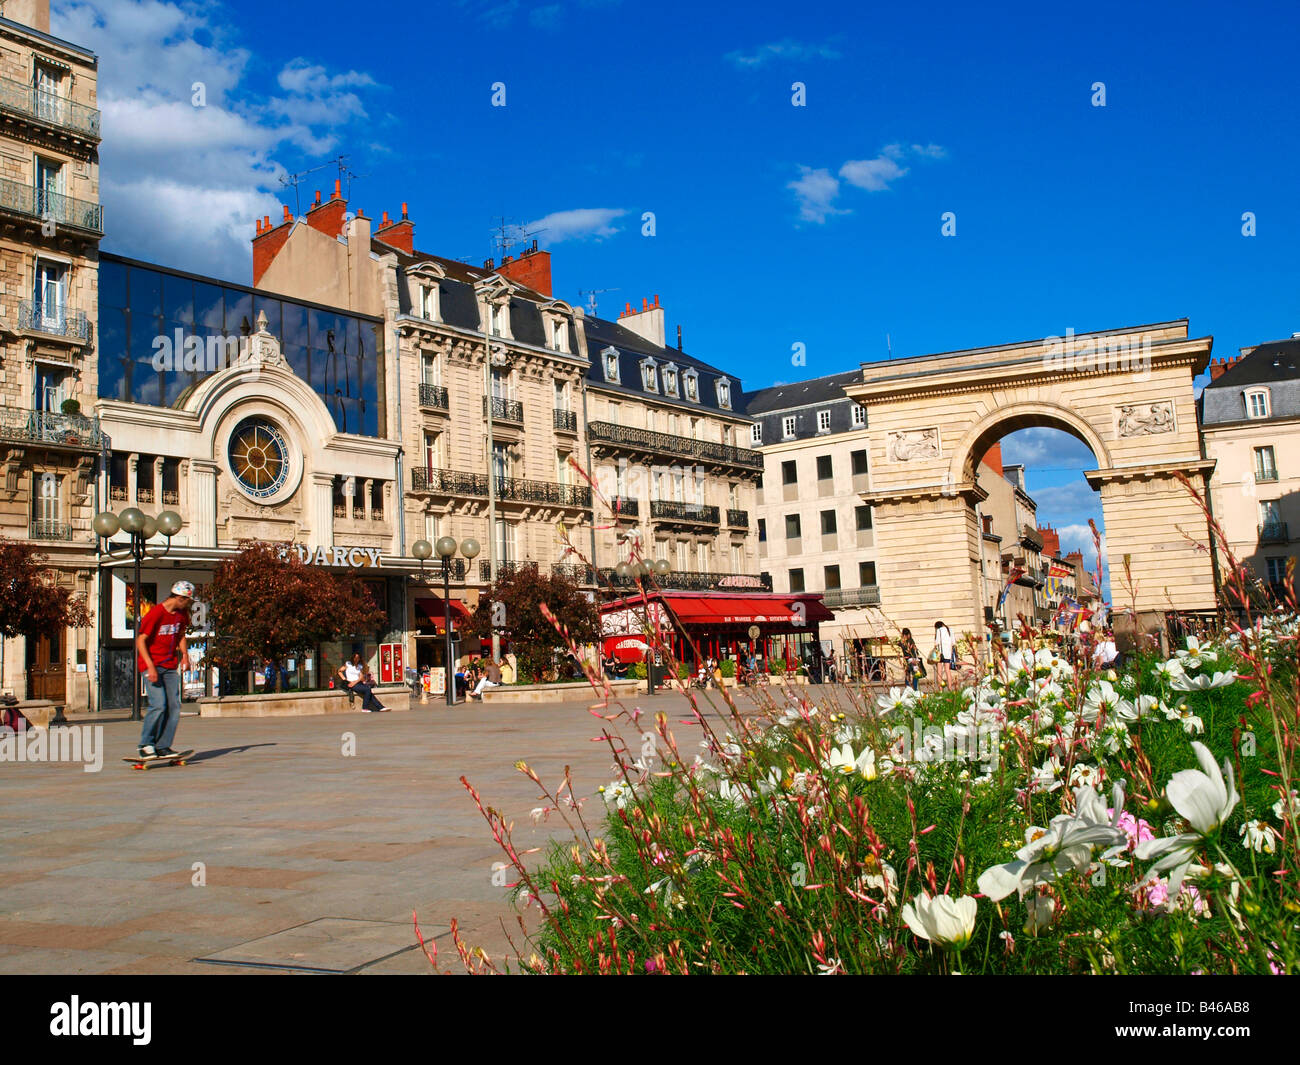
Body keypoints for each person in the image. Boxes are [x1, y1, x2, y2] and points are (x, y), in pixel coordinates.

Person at [136, 580, 195, 759]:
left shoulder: (181, 614)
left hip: (169, 666)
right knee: (158, 705)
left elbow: (181, 635)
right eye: (187, 600)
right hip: (151, 664)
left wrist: (185, 656)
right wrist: (150, 666)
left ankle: (163, 746)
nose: (188, 605)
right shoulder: (155, 613)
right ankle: (146, 744)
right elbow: (140, 641)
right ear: (179, 597)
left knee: (174, 706)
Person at [899, 628, 924, 692]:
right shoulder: (911, 640)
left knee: (907, 674)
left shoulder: (902, 642)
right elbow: (915, 650)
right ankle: (915, 688)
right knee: (915, 674)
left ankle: (908, 688)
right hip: (914, 660)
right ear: (909, 634)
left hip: (907, 660)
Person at [933, 620, 955, 689]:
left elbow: (936, 643)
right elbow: (953, 643)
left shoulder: (939, 630)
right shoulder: (950, 630)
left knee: (939, 672)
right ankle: (950, 688)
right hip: (948, 653)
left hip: (940, 653)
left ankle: (940, 689)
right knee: (947, 671)